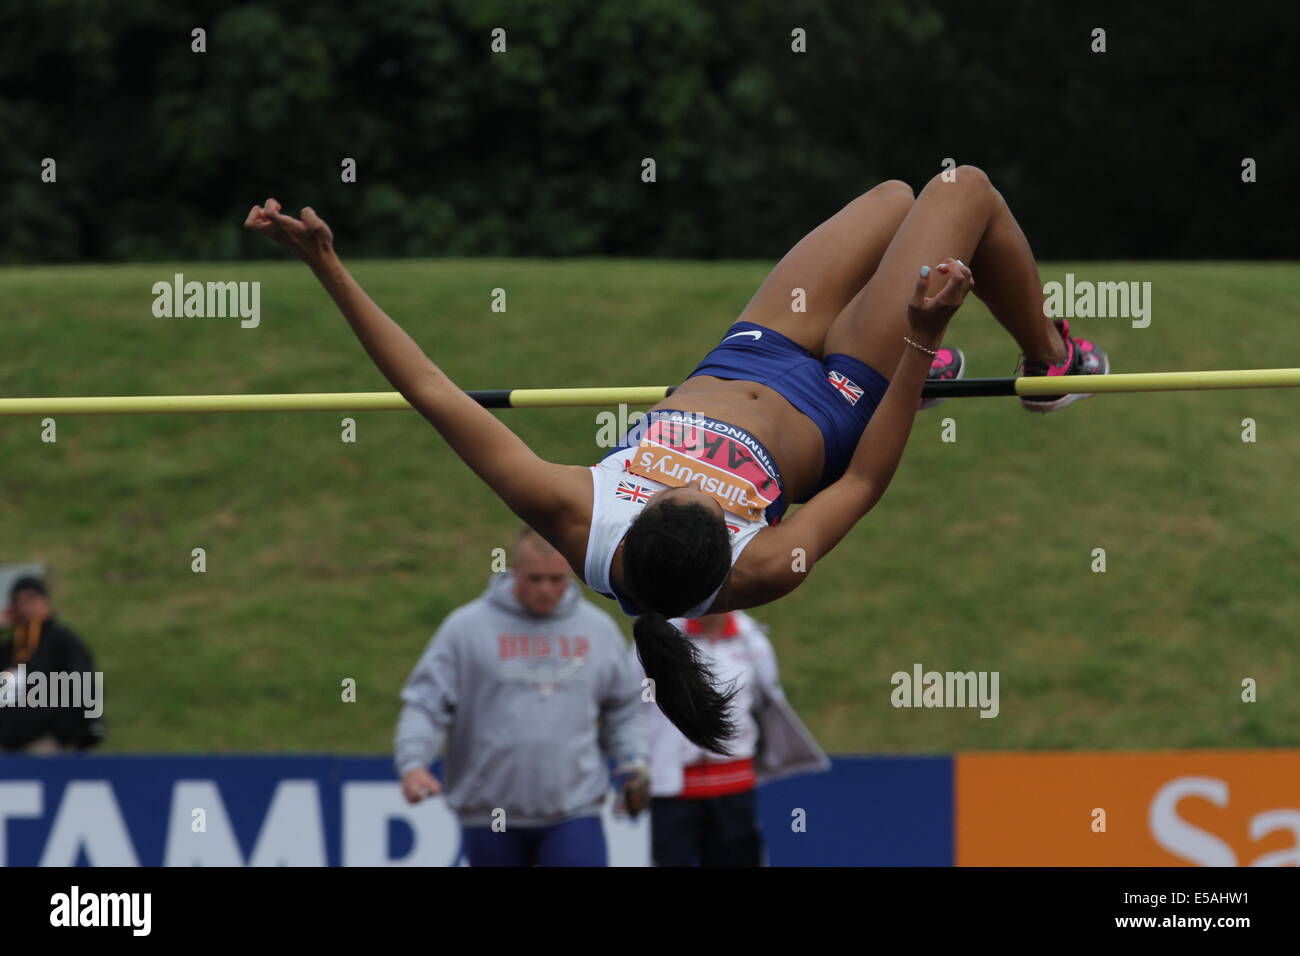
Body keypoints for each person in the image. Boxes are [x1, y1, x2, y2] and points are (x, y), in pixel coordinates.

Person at [246, 165, 1108, 753]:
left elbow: (433, 391)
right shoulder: (763, 565)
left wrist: (328, 266)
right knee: (963, 188)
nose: (693, 484)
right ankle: (1051, 363)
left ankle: (911, 360)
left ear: (642, 515)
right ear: (732, 538)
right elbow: (866, 480)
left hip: (751, 350)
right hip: (844, 396)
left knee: (889, 198)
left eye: (671, 487)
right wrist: (918, 344)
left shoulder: (575, 511)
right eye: (724, 500)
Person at [394, 528, 649, 867]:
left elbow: (623, 709)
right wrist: (413, 764)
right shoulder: (466, 629)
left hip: (573, 812)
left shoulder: (597, 630)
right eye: (535, 578)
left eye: (556, 579)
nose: (546, 589)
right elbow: (425, 704)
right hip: (490, 814)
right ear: (514, 571)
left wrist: (632, 761)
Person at [636, 610, 828, 867]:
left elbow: (766, 702)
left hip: (734, 788)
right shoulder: (659, 634)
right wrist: (637, 764)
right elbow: (633, 705)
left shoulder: (752, 639)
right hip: (671, 788)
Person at [0, 576, 106, 754]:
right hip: (9, 743)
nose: (24, 606)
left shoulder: (62, 641)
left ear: (44, 601)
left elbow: (85, 686)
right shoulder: (10, 649)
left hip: (48, 742)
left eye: (30, 598)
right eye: (18, 600)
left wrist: (64, 731)